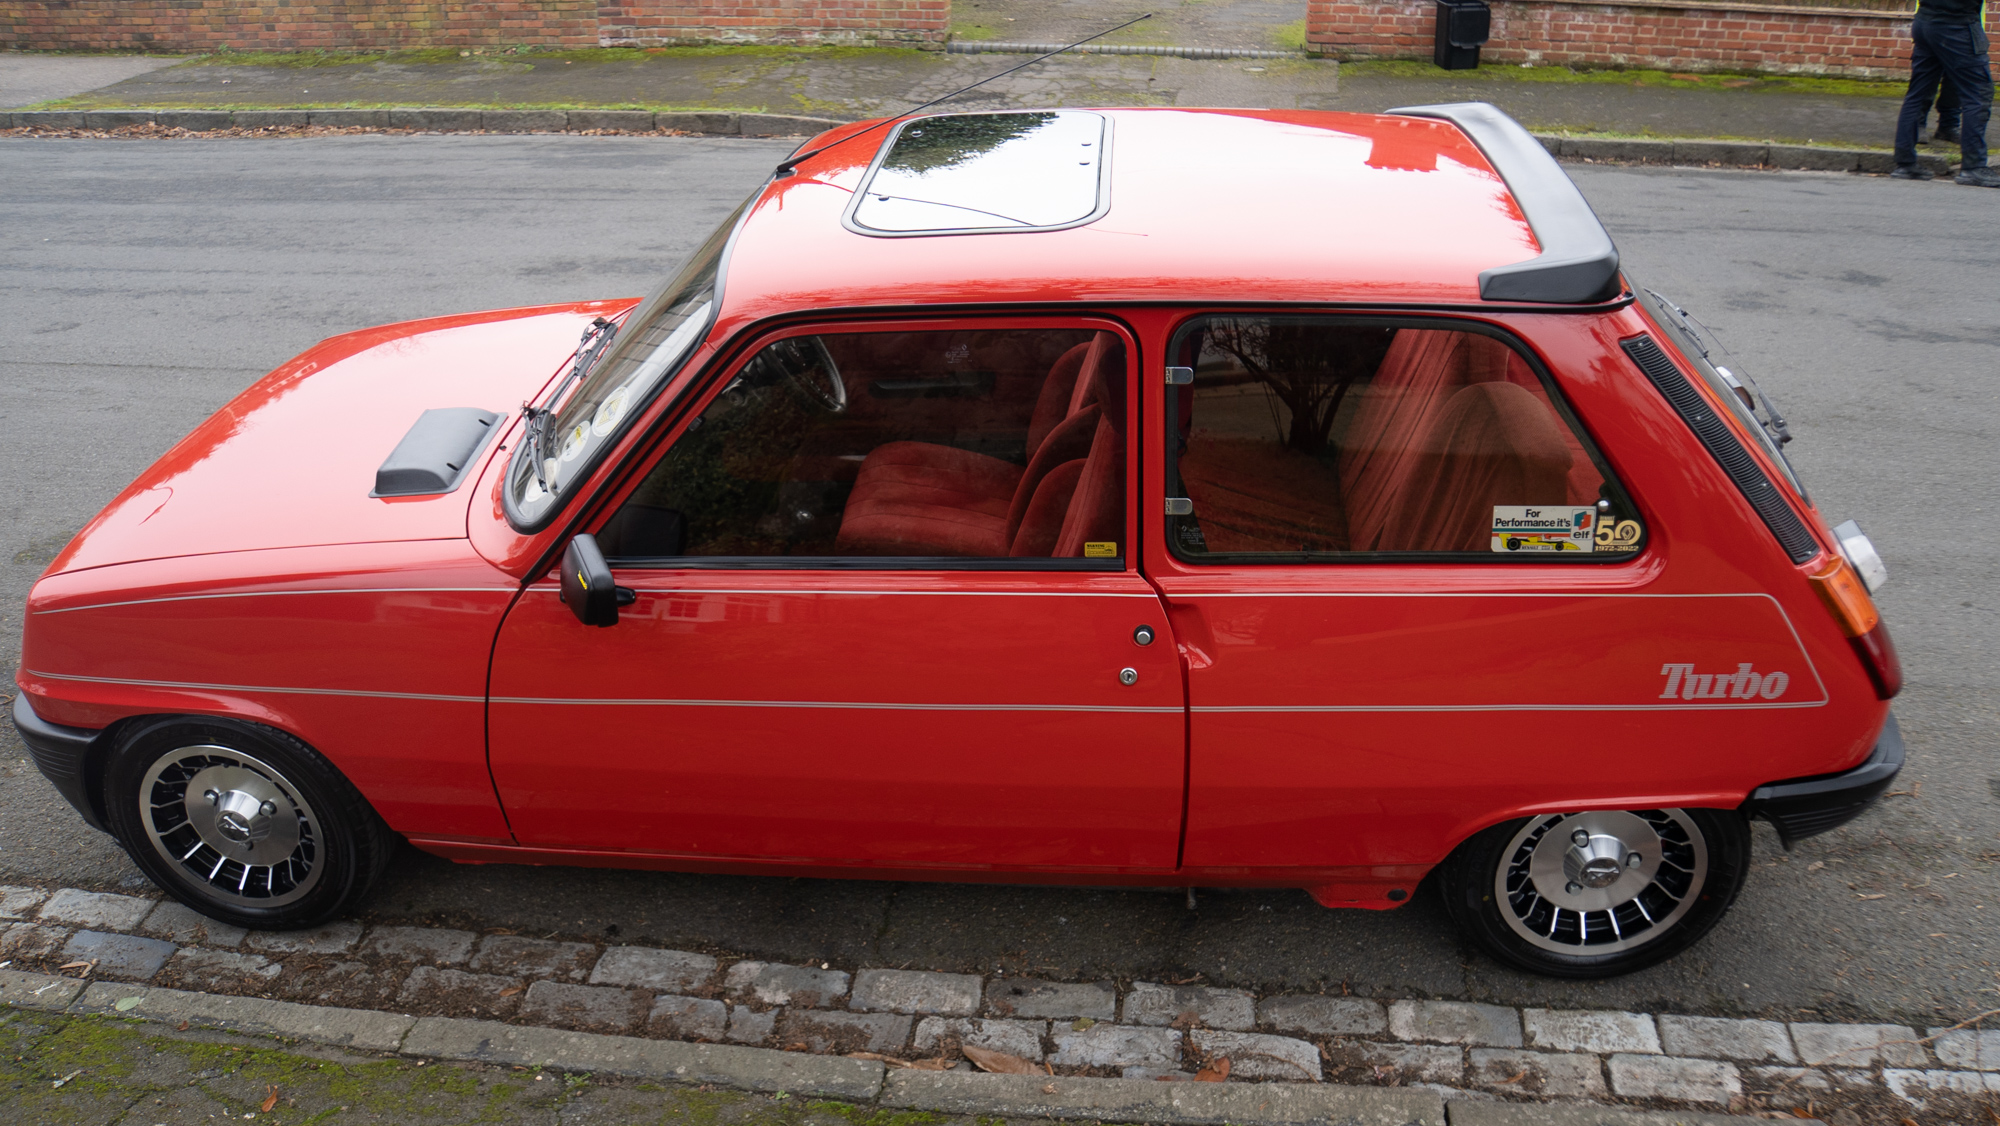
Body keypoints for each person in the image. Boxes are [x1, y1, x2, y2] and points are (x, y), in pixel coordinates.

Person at [1891, 0, 1995, 186]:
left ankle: (1905, 163)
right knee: (1978, 94)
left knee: (1918, 93)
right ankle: (1973, 167)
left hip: (1925, 21)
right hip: (1957, 25)